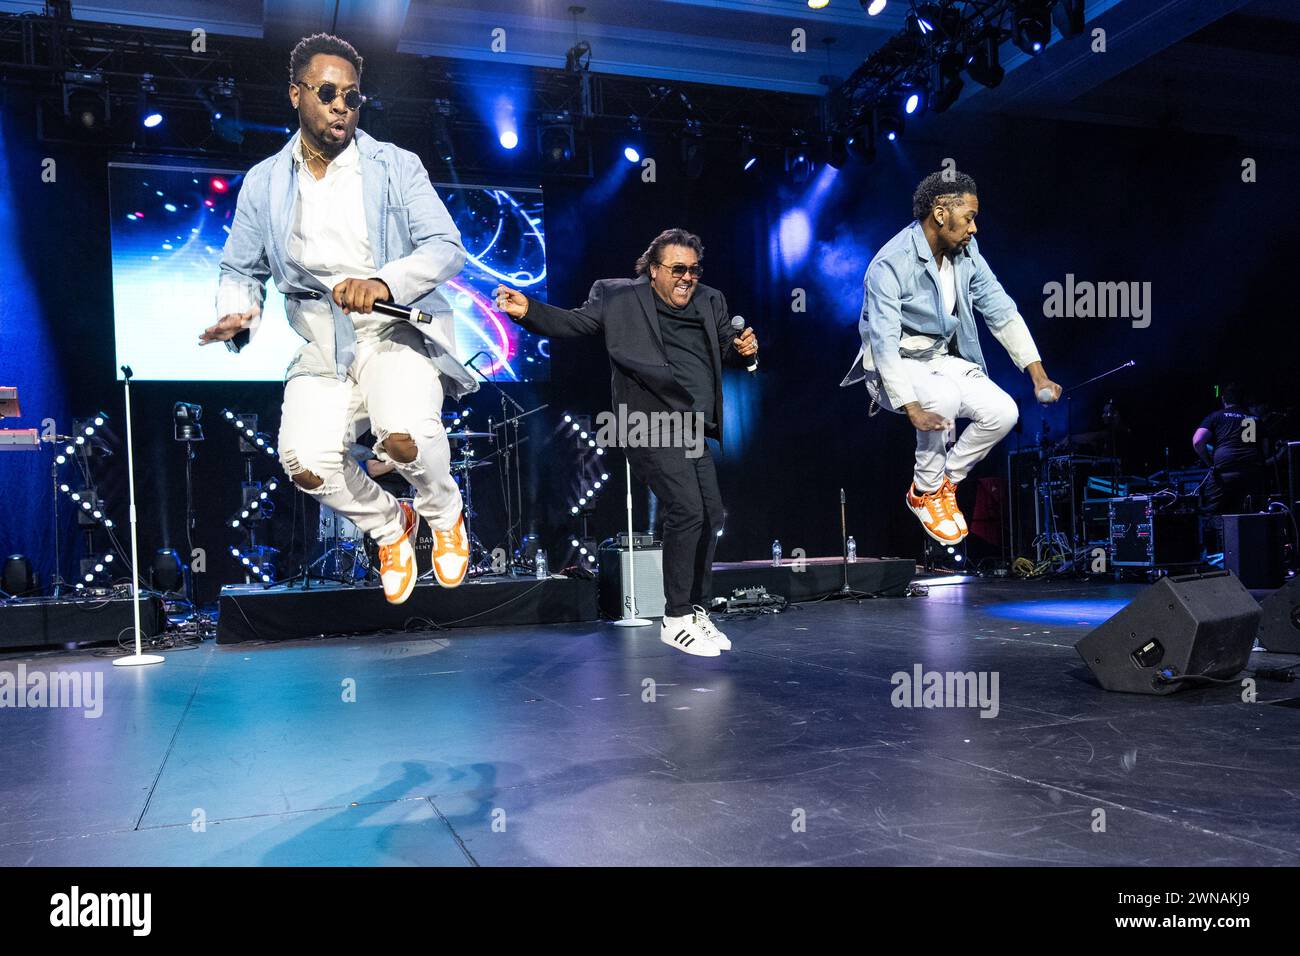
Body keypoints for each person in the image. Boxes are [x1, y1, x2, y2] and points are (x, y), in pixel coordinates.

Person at [200, 33, 474, 604]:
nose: (341, 107)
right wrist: (237, 311)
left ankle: (444, 514)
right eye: (327, 93)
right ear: (296, 93)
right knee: (304, 461)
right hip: (323, 342)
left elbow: (446, 247)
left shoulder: (396, 165)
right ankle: (390, 524)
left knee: (403, 437)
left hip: (393, 329)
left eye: (353, 97)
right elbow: (240, 268)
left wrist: (382, 282)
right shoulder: (264, 183)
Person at [493, 229, 758, 657]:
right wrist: (529, 311)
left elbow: (726, 345)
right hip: (646, 422)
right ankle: (675, 618)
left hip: (692, 426)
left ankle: (695, 609)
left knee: (710, 514)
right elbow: (575, 322)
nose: (686, 278)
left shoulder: (711, 300)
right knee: (686, 509)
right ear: (654, 270)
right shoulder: (617, 296)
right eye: (677, 270)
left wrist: (745, 350)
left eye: (693, 269)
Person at [841, 170, 1061, 544]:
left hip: (939, 360)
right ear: (940, 213)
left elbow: (1001, 310)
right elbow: (882, 342)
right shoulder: (890, 264)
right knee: (942, 398)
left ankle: (945, 484)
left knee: (1004, 412)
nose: (974, 228)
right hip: (891, 368)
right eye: (969, 217)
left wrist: (1037, 374)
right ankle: (924, 492)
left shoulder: (966, 254)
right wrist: (913, 407)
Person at [1193, 384, 1265, 515]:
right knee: (1252, 513)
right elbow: (1263, 447)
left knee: (1213, 512)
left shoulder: (1216, 416)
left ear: (1223, 400)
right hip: (1252, 472)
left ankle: (1223, 534)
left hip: (1225, 472)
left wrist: (1209, 462)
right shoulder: (1255, 419)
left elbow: (1197, 441)